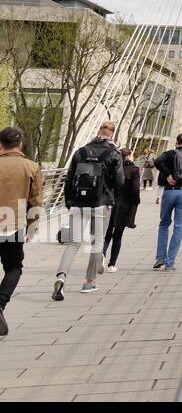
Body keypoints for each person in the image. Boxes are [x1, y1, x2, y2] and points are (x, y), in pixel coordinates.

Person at [55, 121, 122, 299]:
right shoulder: (113, 153)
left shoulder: (81, 151)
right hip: (101, 203)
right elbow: (119, 181)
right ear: (112, 135)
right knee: (97, 242)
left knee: (73, 244)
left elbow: (68, 179)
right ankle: (89, 281)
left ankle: (61, 278)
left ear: (98, 131)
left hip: (78, 202)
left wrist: (69, 201)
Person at [0, 127, 42, 336]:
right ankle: (0, 304)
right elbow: (36, 201)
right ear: (21, 145)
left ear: (0, 145)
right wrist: (32, 226)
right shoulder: (31, 167)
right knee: (14, 267)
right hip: (13, 226)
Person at [153, 133, 182, 270]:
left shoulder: (170, 153)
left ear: (177, 142)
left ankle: (160, 257)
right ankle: (170, 263)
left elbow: (157, 161)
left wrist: (168, 175)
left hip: (169, 192)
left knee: (164, 224)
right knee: (179, 227)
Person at [101, 147, 142, 272]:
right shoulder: (134, 170)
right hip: (125, 205)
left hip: (111, 203)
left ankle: (102, 254)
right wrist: (137, 200)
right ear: (128, 156)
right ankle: (112, 265)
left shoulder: (112, 168)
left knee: (107, 234)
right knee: (118, 235)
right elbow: (135, 189)